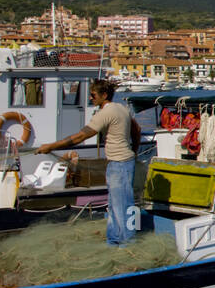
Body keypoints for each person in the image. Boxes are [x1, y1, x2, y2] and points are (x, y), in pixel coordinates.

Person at [39, 79, 142, 246]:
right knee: (115, 205)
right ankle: (114, 240)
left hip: (119, 164)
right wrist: (134, 152)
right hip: (121, 162)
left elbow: (80, 137)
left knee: (122, 205)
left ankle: (127, 244)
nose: (90, 97)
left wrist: (51, 146)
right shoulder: (121, 108)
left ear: (104, 95)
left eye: (93, 94)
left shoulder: (106, 113)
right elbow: (136, 131)